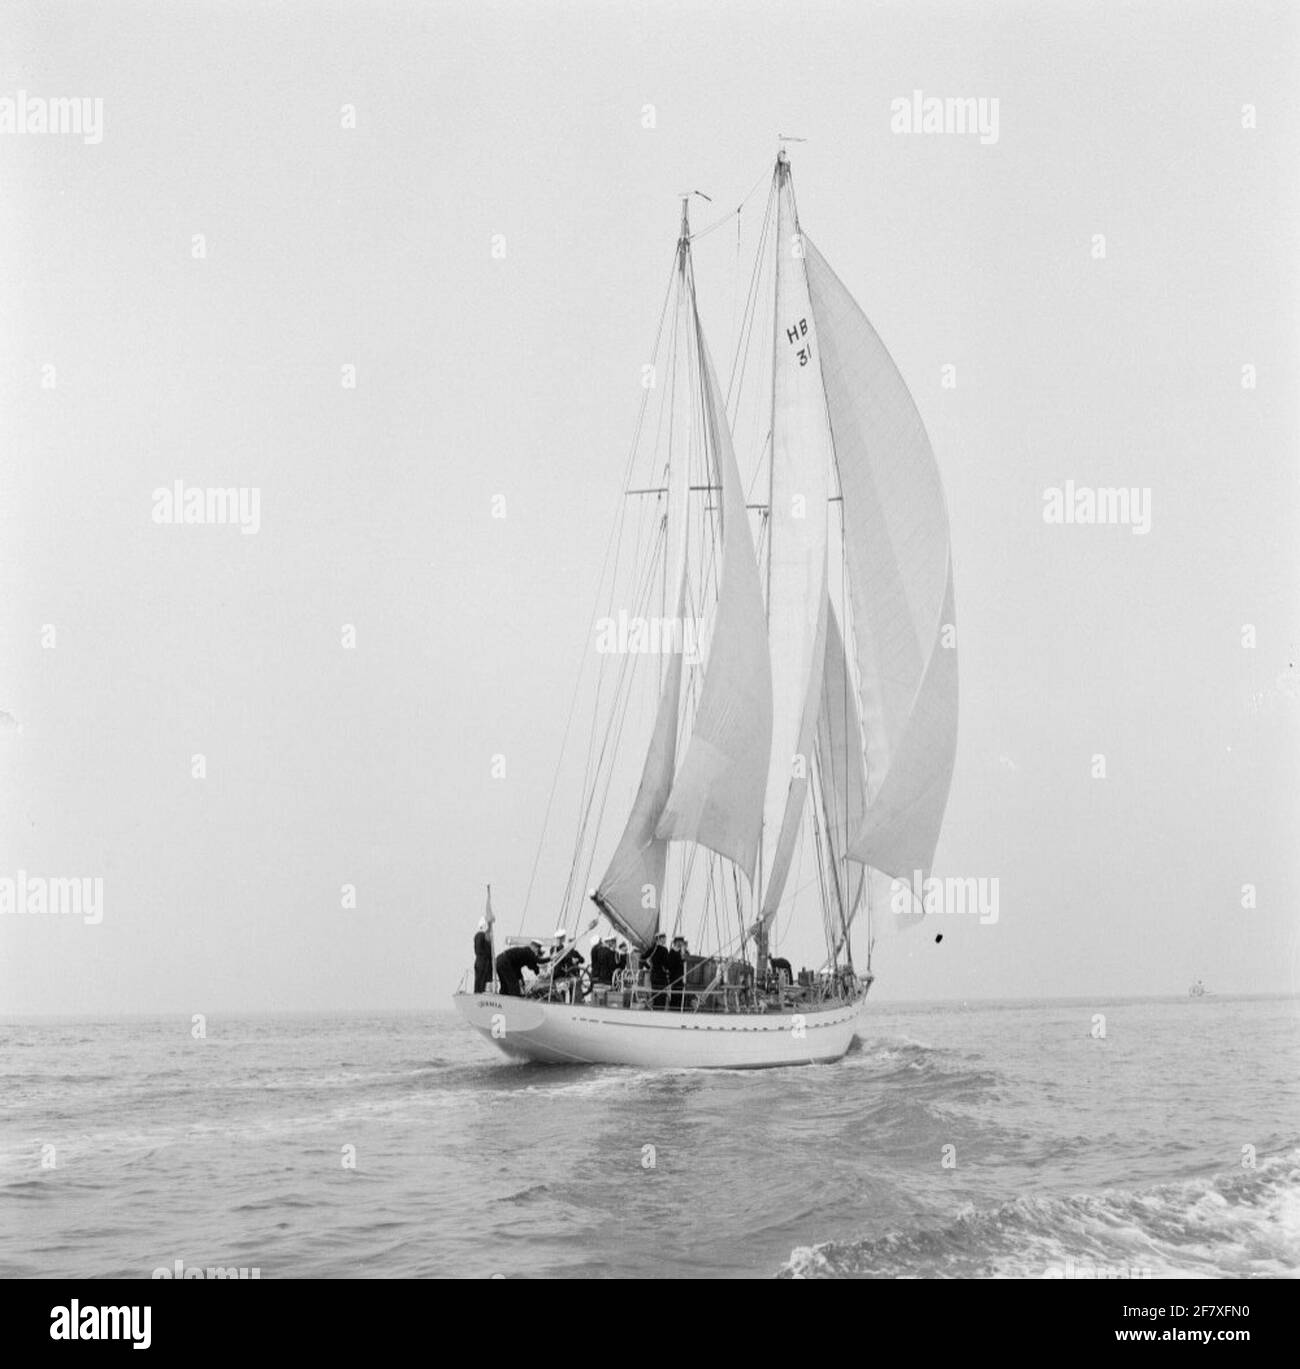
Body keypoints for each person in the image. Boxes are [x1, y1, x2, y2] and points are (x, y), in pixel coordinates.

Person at [646, 932, 671, 1010]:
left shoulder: (652, 949)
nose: (665, 940)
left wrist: (650, 967)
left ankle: (655, 1010)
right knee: (662, 997)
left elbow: (644, 960)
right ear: (659, 939)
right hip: (661, 977)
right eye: (664, 938)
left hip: (653, 976)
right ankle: (660, 1011)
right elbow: (667, 964)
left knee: (655, 995)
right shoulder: (664, 949)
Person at [473, 916, 494, 993]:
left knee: (484, 981)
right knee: (480, 980)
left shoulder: (481, 936)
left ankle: (482, 991)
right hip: (483, 962)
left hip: (485, 962)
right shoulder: (480, 935)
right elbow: (479, 950)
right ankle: (479, 993)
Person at [666, 936, 686, 1011]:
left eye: (682, 942)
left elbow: (684, 961)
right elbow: (670, 965)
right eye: (680, 941)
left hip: (681, 977)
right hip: (674, 977)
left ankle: (679, 1008)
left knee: (680, 995)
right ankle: (673, 1009)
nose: (681, 943)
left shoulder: (682, 952)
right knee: (674, 995)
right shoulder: (672, 952)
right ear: (676, 942)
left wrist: (683, 954)